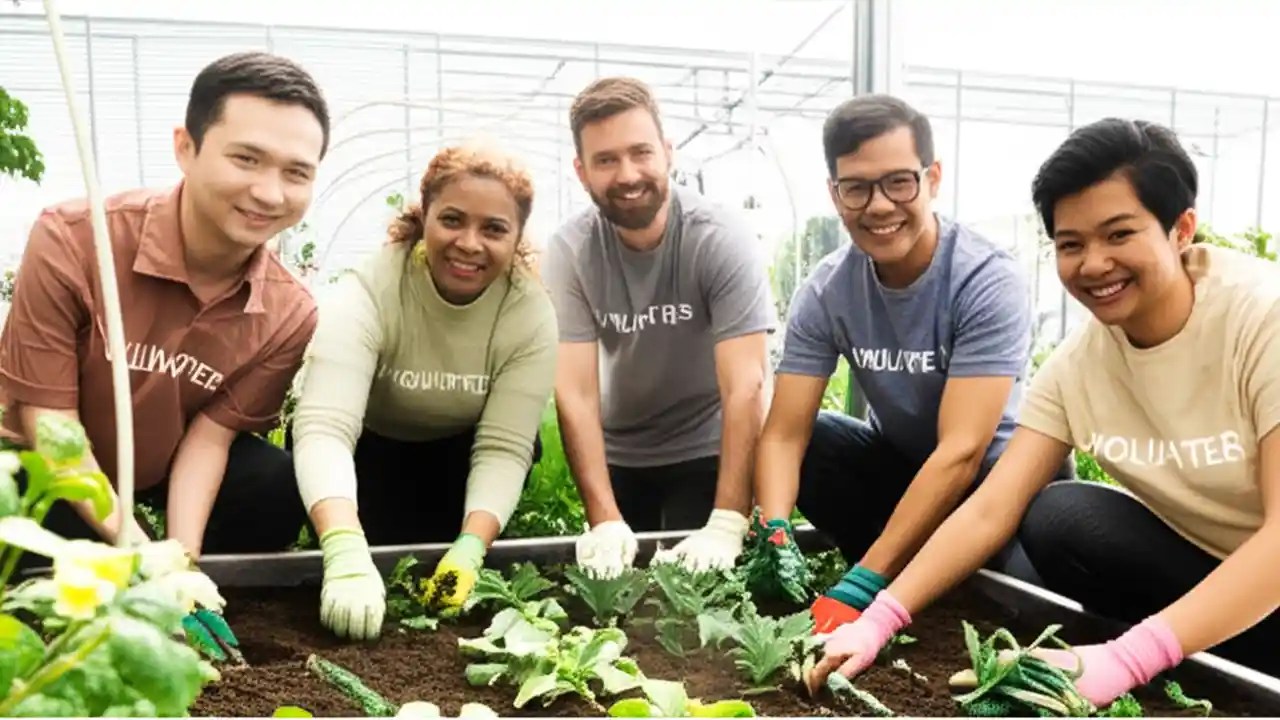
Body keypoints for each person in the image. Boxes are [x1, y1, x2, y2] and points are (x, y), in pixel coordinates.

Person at [805, 117, 1280, 704]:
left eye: (1119, 234)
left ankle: (1172, 654)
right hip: (1223, 584)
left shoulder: (1263, 321)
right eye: (1071, 244)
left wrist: (1130, 657)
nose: (1094, 263)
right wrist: (879, 615)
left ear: (1182, 229)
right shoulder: (1082, 363)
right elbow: (990, 509)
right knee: (1061, 517)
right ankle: (1204, 657)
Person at [0, 50, 325, 658]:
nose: (268, 192)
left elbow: (209, 439)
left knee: (272, 485)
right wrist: (133, 545)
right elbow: (49, 425)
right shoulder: (74, 240)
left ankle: (200, 600)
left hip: (160, 471)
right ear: (186, 147)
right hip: (48, 472)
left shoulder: (290, 311)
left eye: (297, 172)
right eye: (245, 159)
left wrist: (180, 563)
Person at [750, 94, 1048, 631]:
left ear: (932, 178)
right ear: (834, 194)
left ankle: (887, 576)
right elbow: (783, 434)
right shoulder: (827, 290)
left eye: (899, 181)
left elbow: (962, 451)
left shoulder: (983, 279)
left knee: (1017, 603)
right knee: (818, 441)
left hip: (995, 487)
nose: (880, 205)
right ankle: (896, 569)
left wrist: (864, 583)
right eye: (857, 187)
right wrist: (774, 529)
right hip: (905, 471)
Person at [290, 142, 558, 642]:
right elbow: (325, 427)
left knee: (429, 569)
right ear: (424, 215)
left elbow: (505, 446)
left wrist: (471, 548)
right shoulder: (372, 287)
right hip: (369, 454)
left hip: (453, 460)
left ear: (517, 236)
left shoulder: (528, 313)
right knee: (371, 563)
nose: (469, 243)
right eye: (452, 220)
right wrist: (345, 547)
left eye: (494, 229)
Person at [541, 76, 776, 578]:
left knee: (697, 598)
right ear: (582, 172)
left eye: (641, 152)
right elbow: (576, 392)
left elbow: (746, 384)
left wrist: (729, 519)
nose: (627, 174)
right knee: (615, 596)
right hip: (623, 450)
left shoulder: (719, 238)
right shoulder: (570, 251)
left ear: (668, 153)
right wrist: (602, 518)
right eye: (606, 160)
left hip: (706, 445)